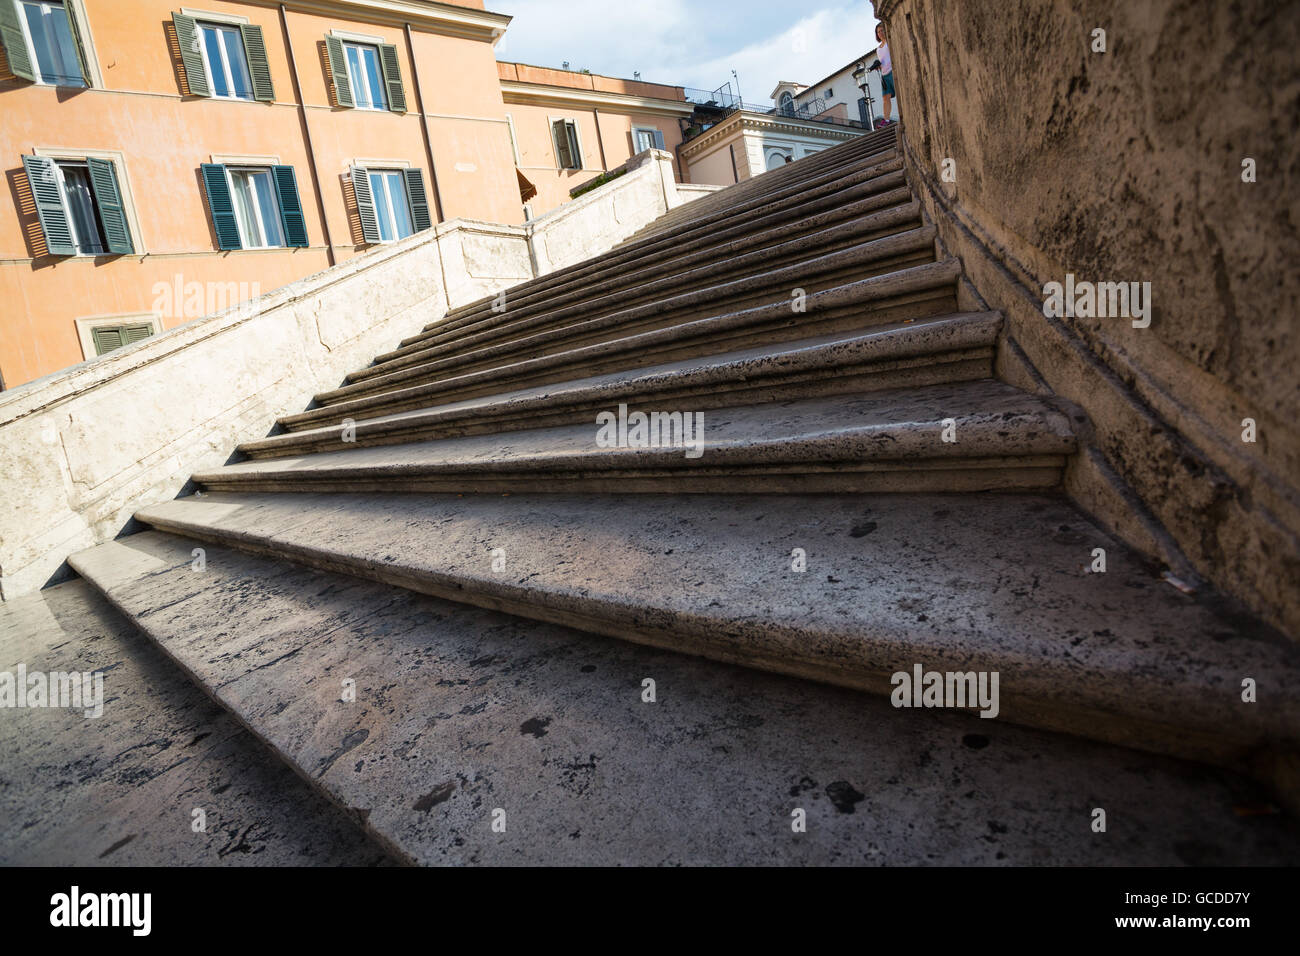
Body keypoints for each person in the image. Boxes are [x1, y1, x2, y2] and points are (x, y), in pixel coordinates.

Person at [875, 23, 895, 125]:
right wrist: (878, 66)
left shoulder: (890, 41)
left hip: (892, 70)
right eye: (878, 32)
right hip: (884, 74)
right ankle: (886, 120)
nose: (880, 33)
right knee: (885, 98)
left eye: (882, 30)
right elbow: (882, 61)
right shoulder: (878, 49)